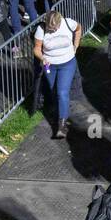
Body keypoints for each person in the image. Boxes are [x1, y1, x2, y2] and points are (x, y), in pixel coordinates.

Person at [34, 10, 81, 140]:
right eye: (50, 28)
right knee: (53, 90)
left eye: (55, 27)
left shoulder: (68, 23)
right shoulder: (41, 29)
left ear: (60, 21)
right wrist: (42, 58)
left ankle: (62, 126)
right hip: (49, 64)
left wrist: (76, 45)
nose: (53, 30)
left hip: (67, 63)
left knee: (62, 92)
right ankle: (61, 111)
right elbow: (37, 48)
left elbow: (78, 29)